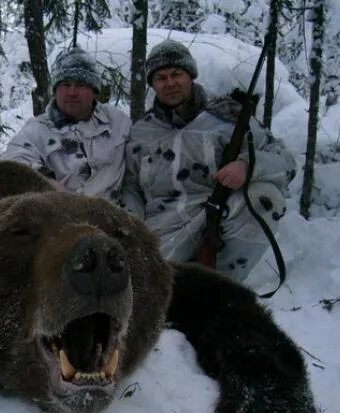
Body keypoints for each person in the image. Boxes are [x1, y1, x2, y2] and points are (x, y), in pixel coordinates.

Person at [121, 39, 297, 283]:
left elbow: (285, 160)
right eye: (161, 77)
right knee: (145, 286)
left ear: (190, 76)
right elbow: (131, 185)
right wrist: (133, 224)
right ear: (152, 84)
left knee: (264, 197)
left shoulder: (226, 117)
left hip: (219, 214)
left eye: (176, 74)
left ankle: (225, 287)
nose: (170, 83)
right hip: (163, 224)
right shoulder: (142, 132)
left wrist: (247, 166)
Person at [3, 46, 131, 199]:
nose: (72, 92)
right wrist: (45, 181)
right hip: (62, 217)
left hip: (114, 216)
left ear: (94, 91)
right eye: (65, 85)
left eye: (80, 85)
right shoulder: (37, 131)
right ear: (55, 90)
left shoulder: (117, 122)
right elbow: (14, 163)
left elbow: (134, 173)